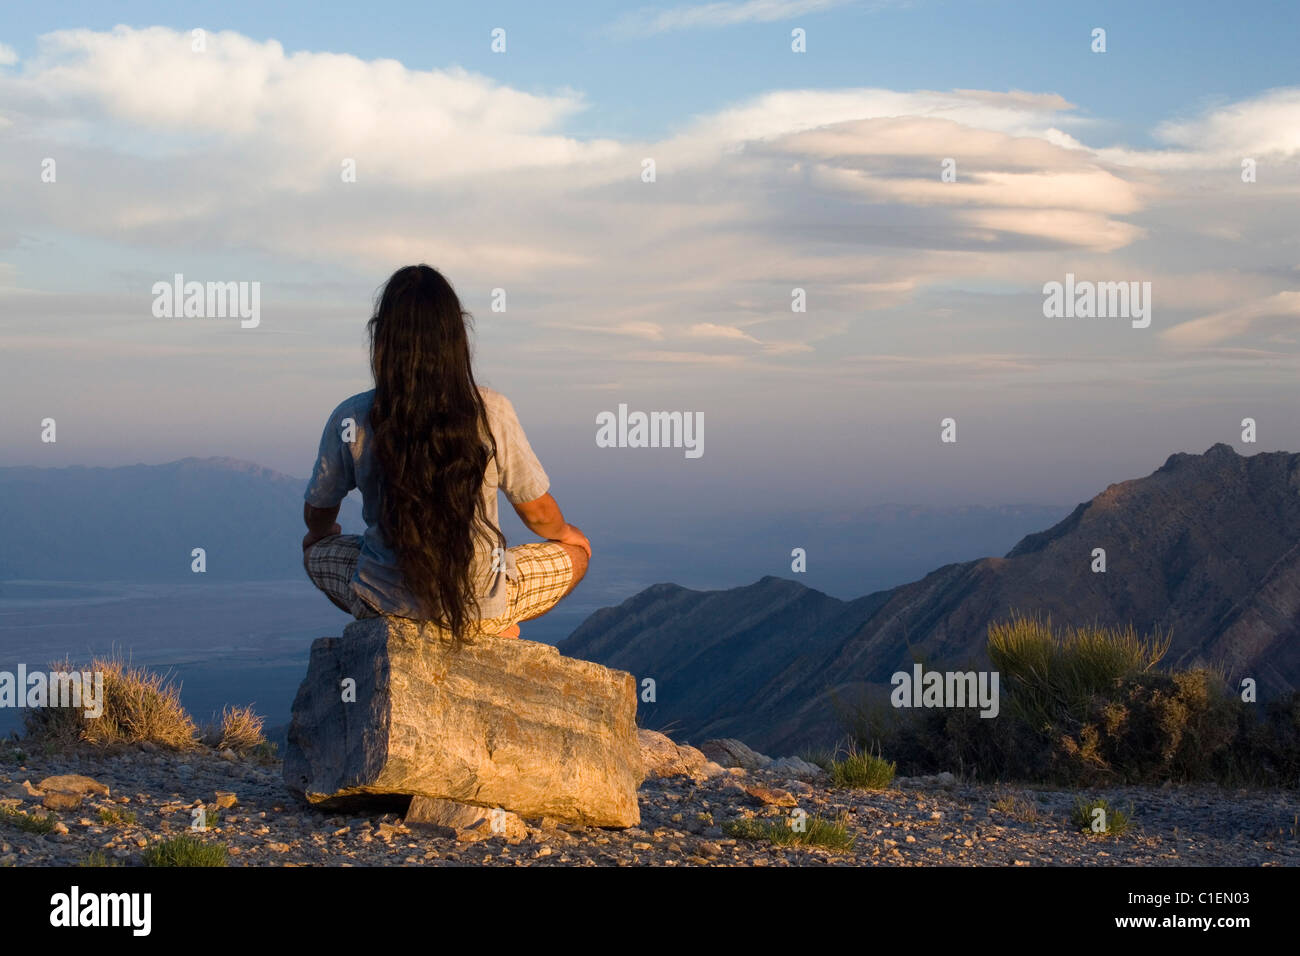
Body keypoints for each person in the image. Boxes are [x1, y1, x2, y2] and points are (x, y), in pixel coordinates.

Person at [300, 264, 590, 642]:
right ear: (456, 338)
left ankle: (387, 622)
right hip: (478, 609)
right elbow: (536, 511)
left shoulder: (352, 418)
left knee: (316, 551)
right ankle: (489, 627)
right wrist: (568, 534)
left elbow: (319, 514)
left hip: (383, 603)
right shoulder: (491, 411)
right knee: (577, 557)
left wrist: (321, 534)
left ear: (382, 339)